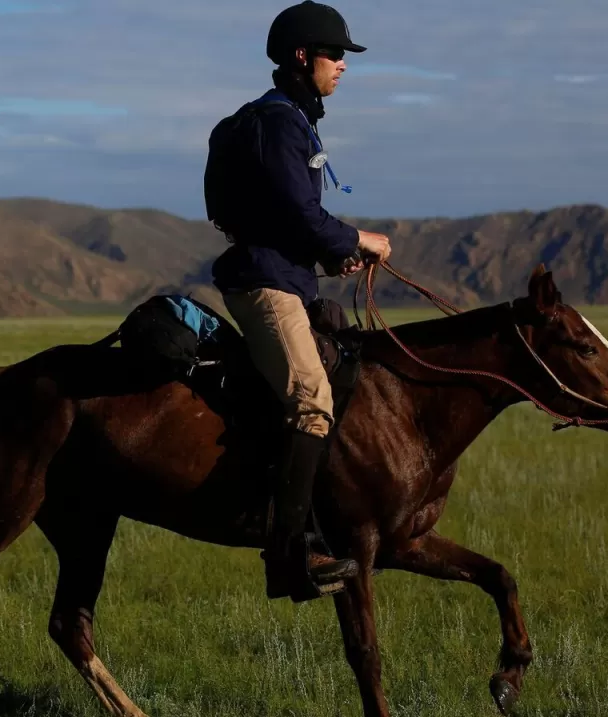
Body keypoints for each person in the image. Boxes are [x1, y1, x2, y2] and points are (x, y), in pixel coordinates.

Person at [205, 0, 392, 602]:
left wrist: (330, 255)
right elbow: (299, 212)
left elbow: (283, 217)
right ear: (302, 56)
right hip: (266, 283)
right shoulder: (280, 122)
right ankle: (289, 557)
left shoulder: (290, 120)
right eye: (336, 54)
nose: (343, 65)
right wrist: (356, 239)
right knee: (312, 400)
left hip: (286, 274)